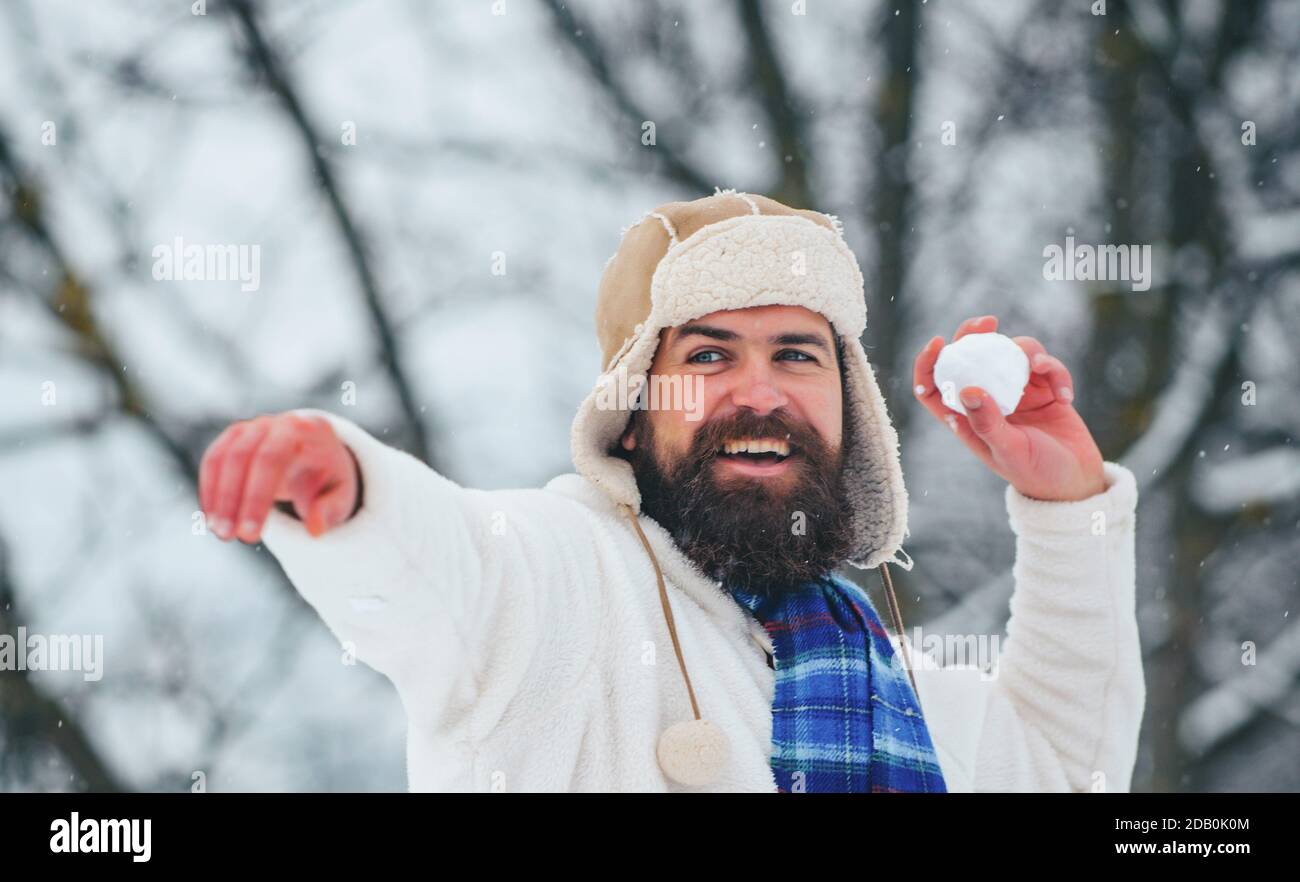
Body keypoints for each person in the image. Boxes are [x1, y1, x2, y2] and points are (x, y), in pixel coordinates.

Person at [198, 189, 1144, 792]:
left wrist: (1069, 511)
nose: (761, 392)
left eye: (797, 355)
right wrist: (353, 487)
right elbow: (445, 561)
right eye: (708, 355)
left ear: (848, 406)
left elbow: (1072, 769)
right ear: (635, 403)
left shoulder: (912, 704)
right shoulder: (560, 588)